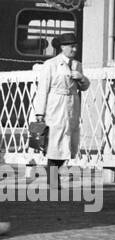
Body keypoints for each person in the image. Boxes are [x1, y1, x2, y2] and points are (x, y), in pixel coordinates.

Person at [32, 34, 90, 170]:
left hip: (71, 107)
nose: (74, 49)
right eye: (71, 46)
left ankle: (53, 177)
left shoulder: (77, 65)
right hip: (55, 107)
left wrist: (81, 78)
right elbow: (42, 90)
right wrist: (40, 112)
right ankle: (53, 182)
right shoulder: (51, 64)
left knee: (67, 146)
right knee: (54, 146)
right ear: (62, 47)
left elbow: (85, 87)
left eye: (76, 46)